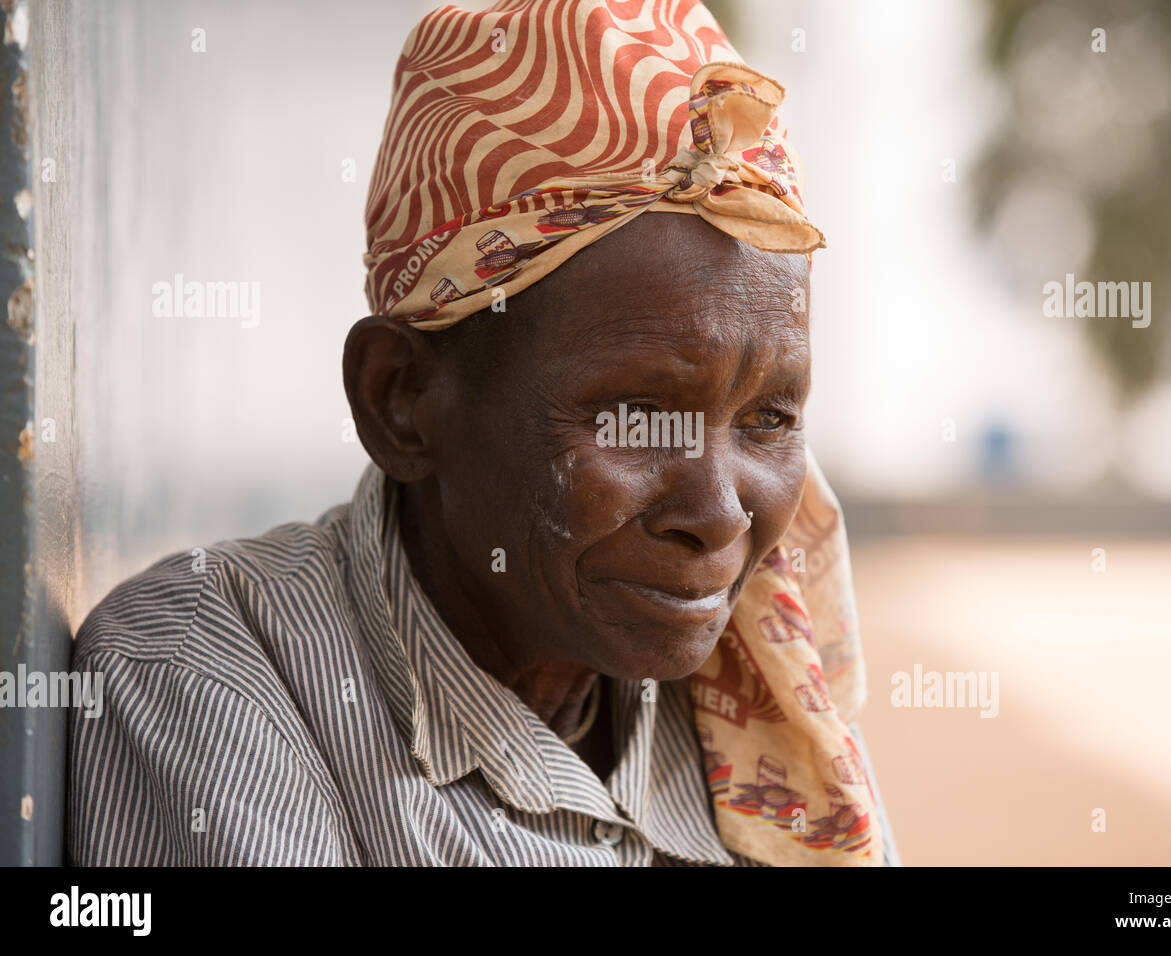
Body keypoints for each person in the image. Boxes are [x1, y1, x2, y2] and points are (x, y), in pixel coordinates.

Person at [67, 0, 898, 867]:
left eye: (768, 419)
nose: (721, 513)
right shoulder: (208, 675)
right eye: (637, 418)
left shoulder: (762, 715)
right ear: (400, 401)